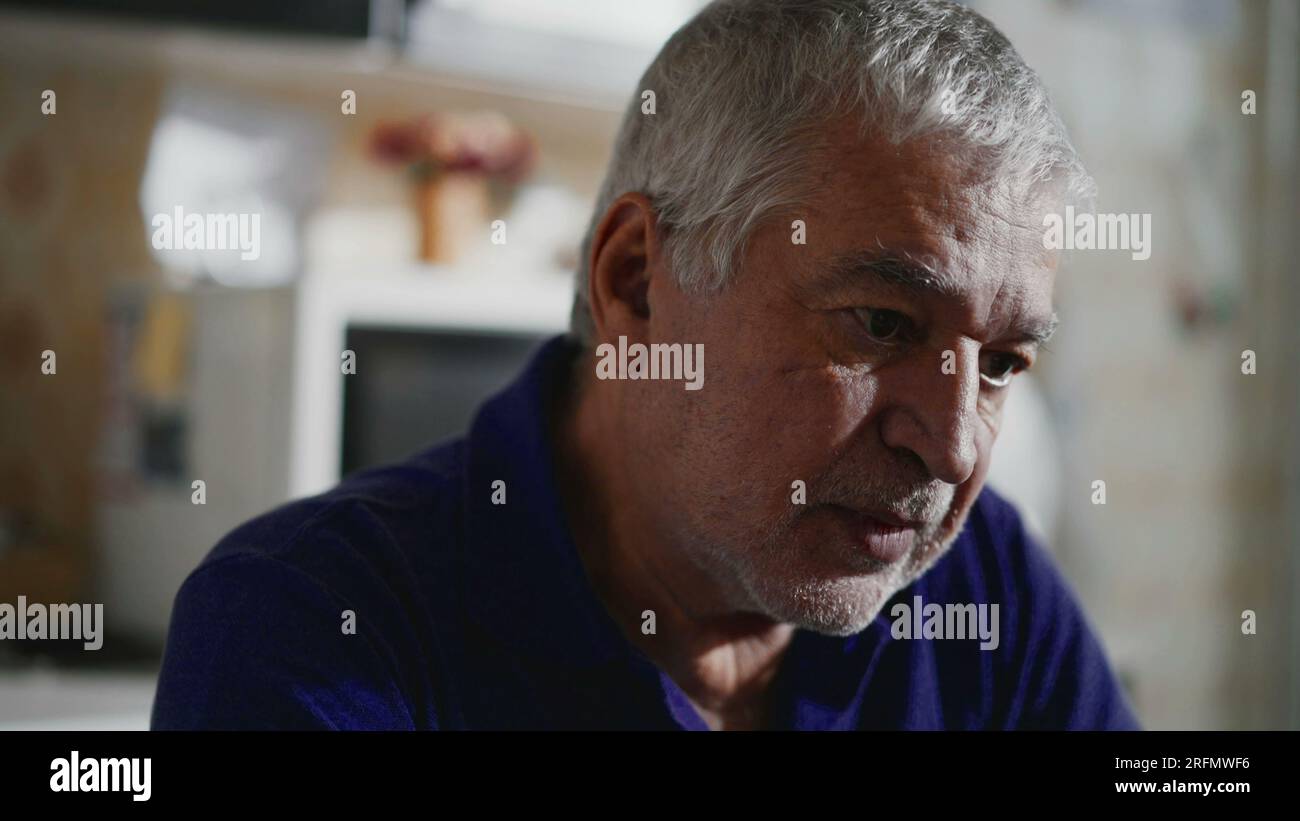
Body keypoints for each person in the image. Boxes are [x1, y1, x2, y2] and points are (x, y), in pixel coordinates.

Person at [153, 0, 1138, 730]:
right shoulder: (316, 624)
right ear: (634, 282)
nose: (955, 444)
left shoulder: (981, 586)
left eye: (1003, 361)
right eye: (881, 323)